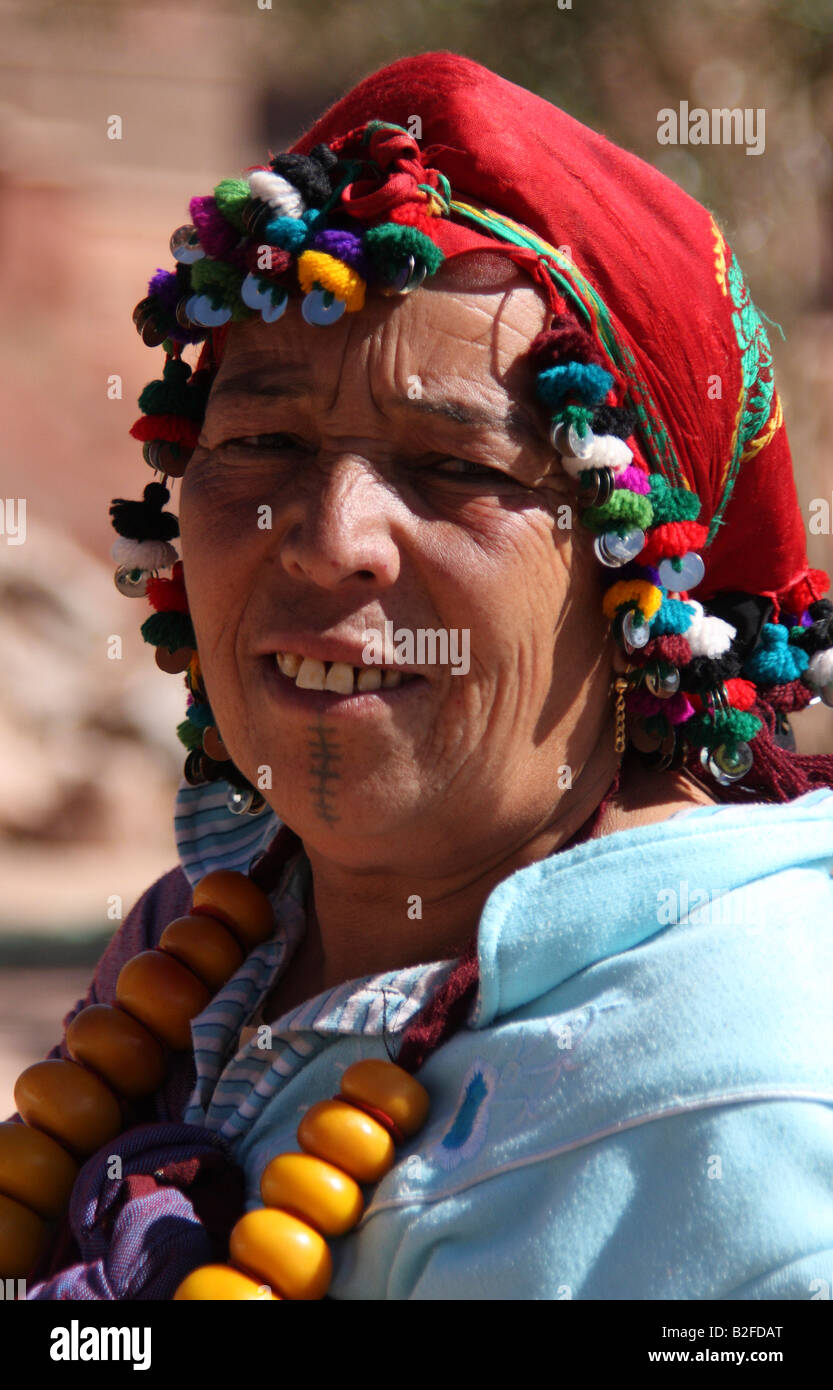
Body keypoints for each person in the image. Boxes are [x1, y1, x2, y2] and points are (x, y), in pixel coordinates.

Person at [4, 51, 833, 1301]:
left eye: (455, 468)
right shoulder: (212, 935)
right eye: (262, 442)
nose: (330, 539)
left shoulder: (720, 1105)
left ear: (638, 585)